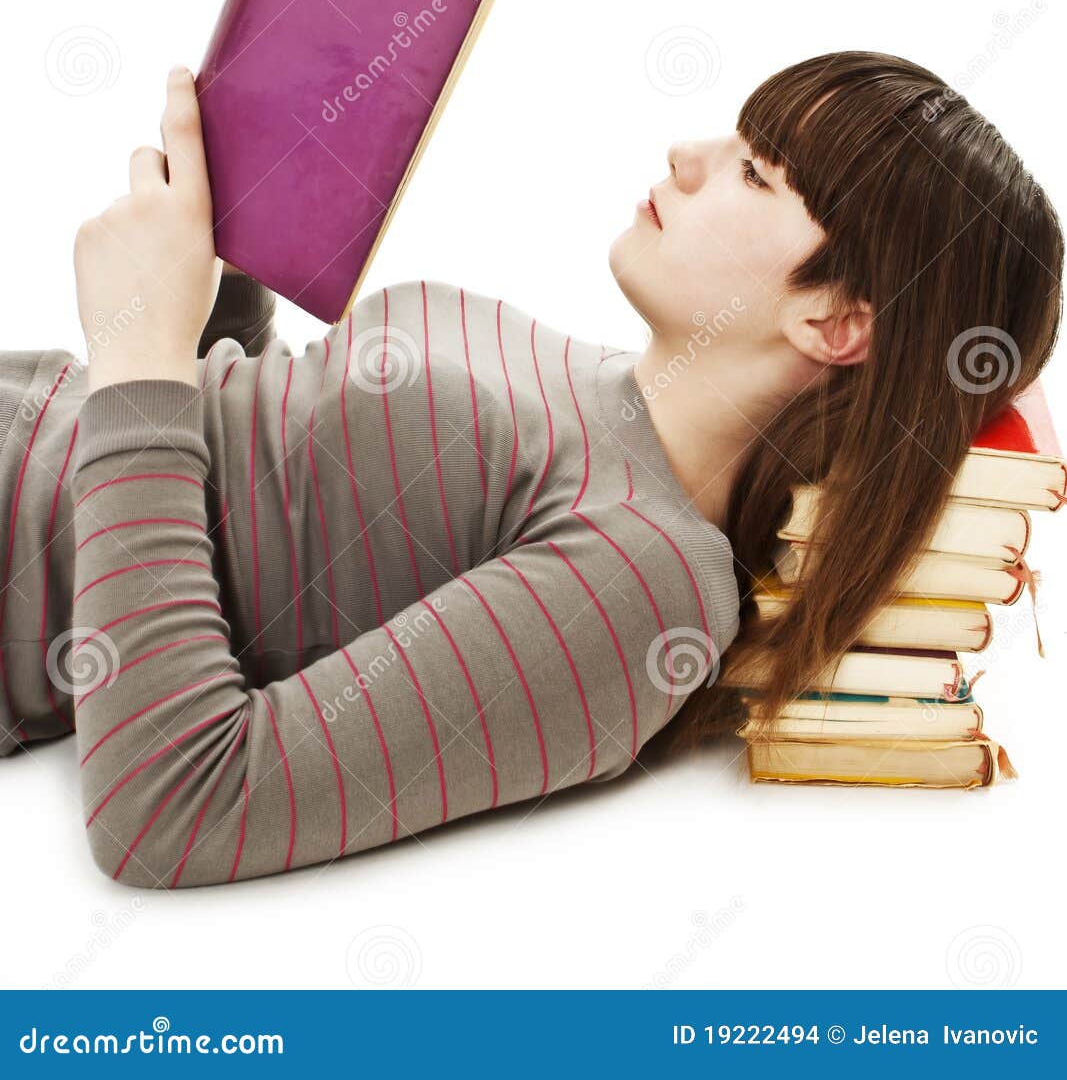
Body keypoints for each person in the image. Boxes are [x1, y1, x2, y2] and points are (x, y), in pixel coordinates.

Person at [0, 51, 1060, 886]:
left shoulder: (642, 586)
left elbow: (178, 807)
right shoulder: (599, 384)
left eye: (753, 170)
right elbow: (277, 519)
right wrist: (227, 274)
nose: (687, 151)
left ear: (835, 320)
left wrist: (140, 351)